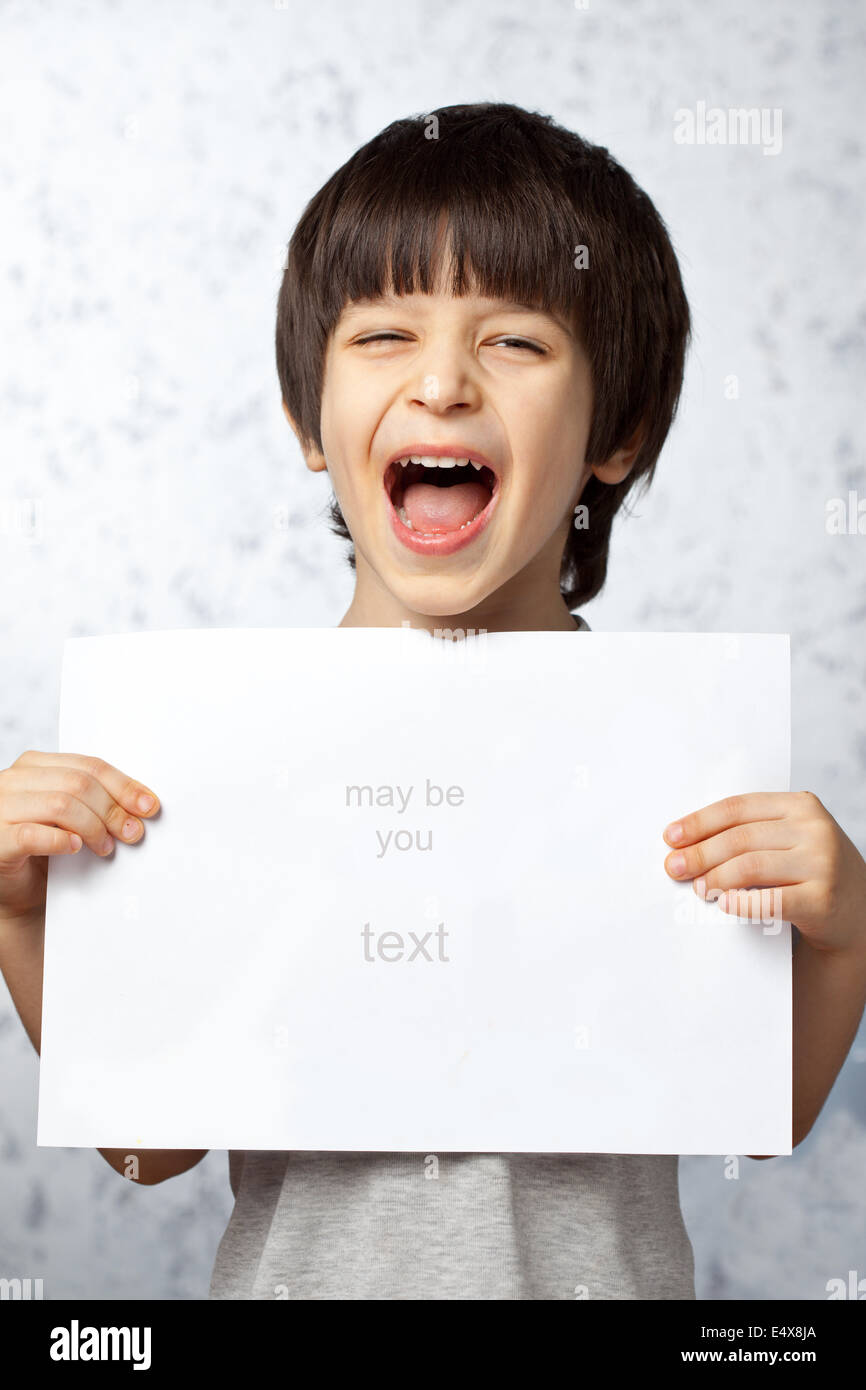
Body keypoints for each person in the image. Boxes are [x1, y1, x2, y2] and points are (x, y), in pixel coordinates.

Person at [2, 102, 865, 1300]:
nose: (444, 382)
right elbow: (150, 1148)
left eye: (514, 341)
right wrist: (27, 915)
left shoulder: (671, 756)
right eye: (384, 334)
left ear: (614, 427)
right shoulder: (223, 756)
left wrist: (841, 930)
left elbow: (753, 1120)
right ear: (311, 417)